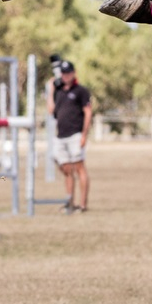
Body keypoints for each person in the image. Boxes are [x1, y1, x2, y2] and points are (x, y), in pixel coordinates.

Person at [44, 57, 93, 213]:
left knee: (79, 168)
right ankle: (69, 202)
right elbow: (51, 110)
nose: (66, 76)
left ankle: (83, 205)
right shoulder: (58, 91)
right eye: (64, 73)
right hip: (61, 136)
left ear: (74, 73)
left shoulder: (81, 91)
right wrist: (51, 90)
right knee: (66, 169)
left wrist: (84, 135)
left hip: (75, 135)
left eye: (69, 73)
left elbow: (88, 112)